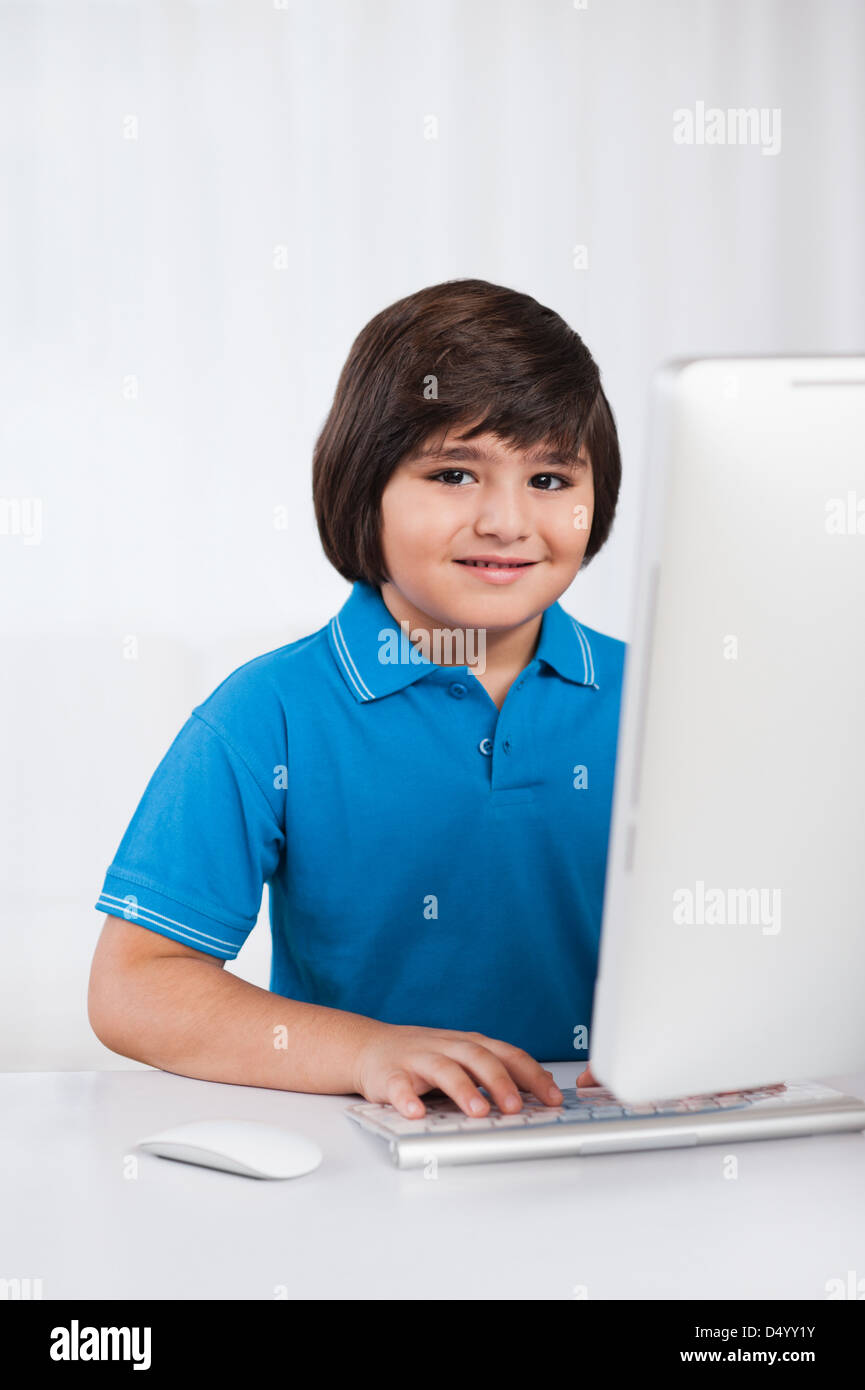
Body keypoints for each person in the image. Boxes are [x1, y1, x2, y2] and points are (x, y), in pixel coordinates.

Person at [88, 278, 623, 1118]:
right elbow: (134, 987)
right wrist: (367, 1050)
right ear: (363, 489)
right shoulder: (270, 712)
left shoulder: (658, 701)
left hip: (617, 1154)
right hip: (369, 1147)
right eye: (454, 472)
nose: (507, 521)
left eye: (551, 479)